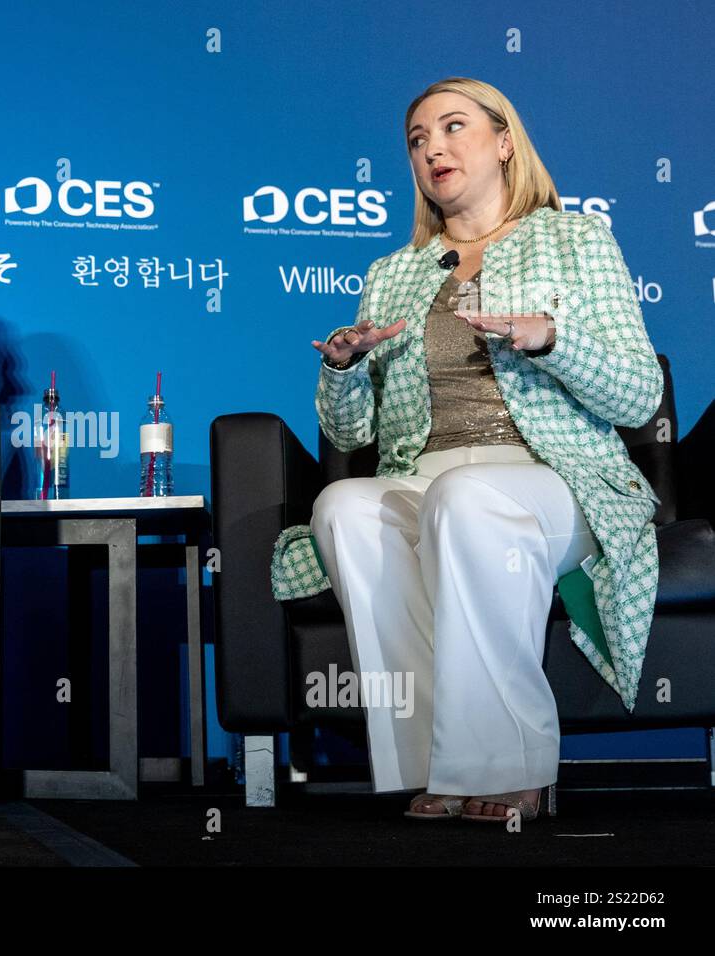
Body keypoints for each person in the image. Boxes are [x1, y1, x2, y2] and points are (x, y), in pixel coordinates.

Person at [271, 77, 663, 824]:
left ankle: (511, 764)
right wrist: (344, 364)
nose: (433, 148)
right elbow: (353, 437)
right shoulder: (394, 275)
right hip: (426, 477)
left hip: (555, 480)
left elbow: (638, 396)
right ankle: (436, 763)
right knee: (345, 506)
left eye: (453, 128)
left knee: (468, 500)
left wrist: (550, 338)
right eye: (418, 140)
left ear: (505, 142)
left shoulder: (574, 241)